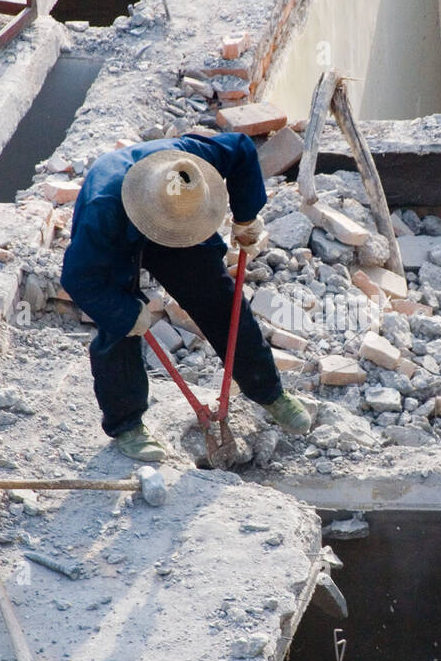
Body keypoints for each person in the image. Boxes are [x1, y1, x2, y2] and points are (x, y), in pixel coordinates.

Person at [60, 132, 311, 462]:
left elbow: (241, 150)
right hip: (121, 222)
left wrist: (246, 217)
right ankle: (127, 424)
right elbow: (79, 278)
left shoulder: (190, 162)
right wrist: (125, 312)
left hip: (175, 215)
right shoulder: (102, 211)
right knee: (118, 327)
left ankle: (268, 391)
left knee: (218, 297)